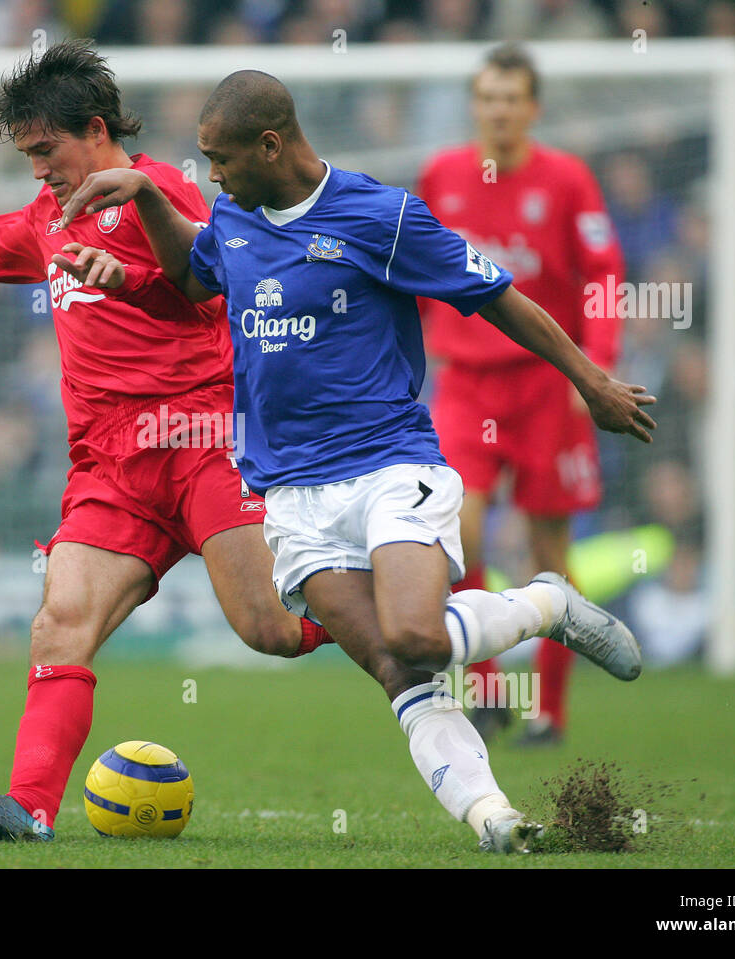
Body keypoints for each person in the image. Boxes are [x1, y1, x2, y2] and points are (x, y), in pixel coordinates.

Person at [55, 69, 654, 852]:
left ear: (270, 145)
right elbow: (194, 273)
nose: (212, 177)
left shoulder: (382, 216)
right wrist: (144, 196)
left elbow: (495, 295)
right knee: (395, 666)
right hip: (291, 496)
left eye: (220, 159)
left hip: (386, 465)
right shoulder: (236, 216)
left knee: (417, 638)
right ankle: (493, 817)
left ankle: (546, 603)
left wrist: (592, 380)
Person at [0, 39, 335, 843]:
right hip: (112, 468)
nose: (37, 170)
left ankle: (398, 612)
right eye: (26, 156)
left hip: (200, 440)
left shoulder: (166, 190)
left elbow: (206, 294)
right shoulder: (50, 216)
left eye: (44, 150)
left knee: (273, 631)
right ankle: (27, 808)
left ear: (94, 129)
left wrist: (135, 281)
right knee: (59, 623)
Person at [416, 43, 626, 746]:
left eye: (512, 98)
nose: (499, 109)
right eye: (488, 97)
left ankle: (552, 711)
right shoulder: (441, 176)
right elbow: (413, 273)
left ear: (532, 107)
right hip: (466, 385)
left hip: (546, 384)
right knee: (457, 528)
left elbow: (602, 271)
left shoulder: (566, 180)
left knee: (548, 551)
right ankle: (487, 686)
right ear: (475, 104)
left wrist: (592, 367)